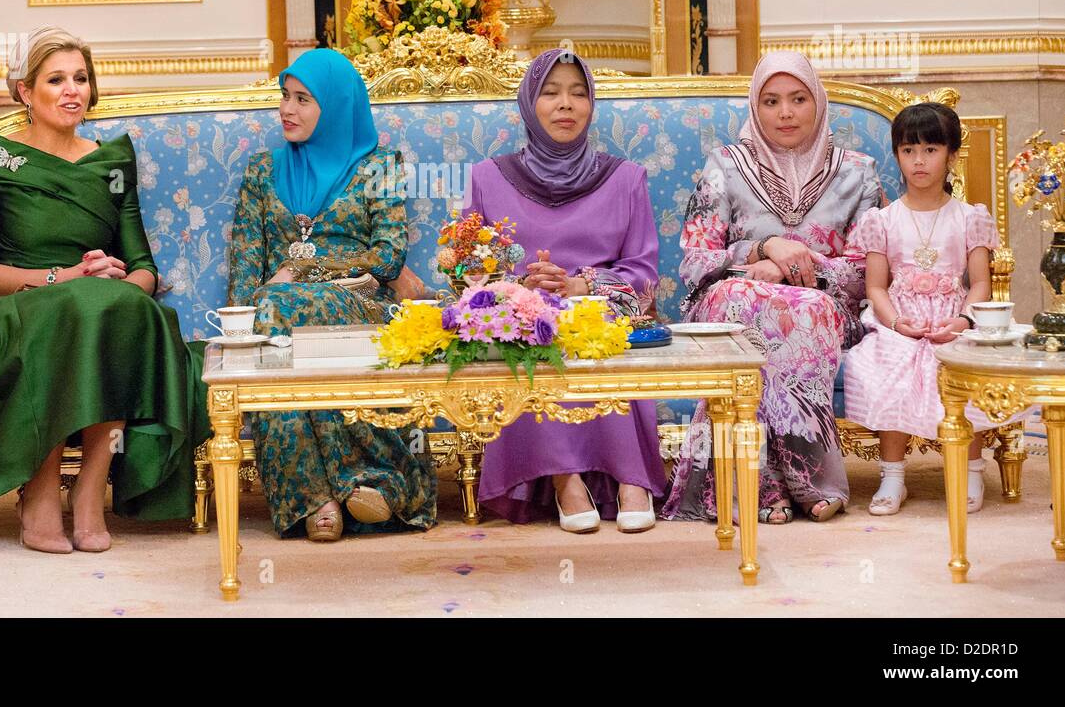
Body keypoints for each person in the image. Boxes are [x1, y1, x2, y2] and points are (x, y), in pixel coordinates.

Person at [0, 26, 209, 553]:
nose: (73, 90)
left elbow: (143, 266)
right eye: (56, 79)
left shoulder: (111, 162)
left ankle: (90, 491)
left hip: (99, 301)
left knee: (118, 308)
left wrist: (120, 279)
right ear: (26, 92)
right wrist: (64, 277)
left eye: (81, 78)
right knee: (74, 308)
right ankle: (43, 489)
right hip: (16, 305)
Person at [661, 51, 883, 525]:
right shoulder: (725, 165)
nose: (785, 113)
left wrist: (794, 267)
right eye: (771, 101)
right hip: (731, 301)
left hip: (822, 307)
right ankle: (791, 481)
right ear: (754, 108)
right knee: (752, 303)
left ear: (818, 102)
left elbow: (868, 270)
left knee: (800, 312)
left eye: (798, 99)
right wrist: (761, 248)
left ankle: (769, 483)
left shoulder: (857, 172)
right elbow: (695, 263)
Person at [226, 48, 436, 542]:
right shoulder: (263, 170)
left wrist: (303, 267)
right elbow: (246, 259)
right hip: (275, 309)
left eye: (303, 99)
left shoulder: (379, 165)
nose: (286, 109)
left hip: (360, 302)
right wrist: (239, 326)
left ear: (337, 106)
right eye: (284, 96)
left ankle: (321, 493)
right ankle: (347, 488)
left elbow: (386, 257)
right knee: (269, 323)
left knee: (275, 308)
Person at [462, 49, 664, 533]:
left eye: (577, 93)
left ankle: (629, 477)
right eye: (550, 93)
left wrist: (580, 284)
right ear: (530, 104)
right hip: (526, 313)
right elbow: (469, 269)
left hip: (602, 308)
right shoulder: (488, 177)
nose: (565, 105)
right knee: (533, 325)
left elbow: (643, 270)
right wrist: (521, 286)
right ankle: (563, 478)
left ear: (592, 104)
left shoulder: (625, 178)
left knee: (597, 325)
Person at [842, 103, 1006, 514]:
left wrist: (965, 320)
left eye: (931, 150)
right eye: (909, 150)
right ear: (896, 154)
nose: (919, 160)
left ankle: (970, 472)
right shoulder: (882, 220)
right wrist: (897, 322)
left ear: (951, 156)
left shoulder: (970, 217)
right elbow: (876, 286)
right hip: (901, 320)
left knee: (965, 371)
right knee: (886, 368)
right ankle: (893, 477)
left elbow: (981, 281)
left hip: (956, 319)